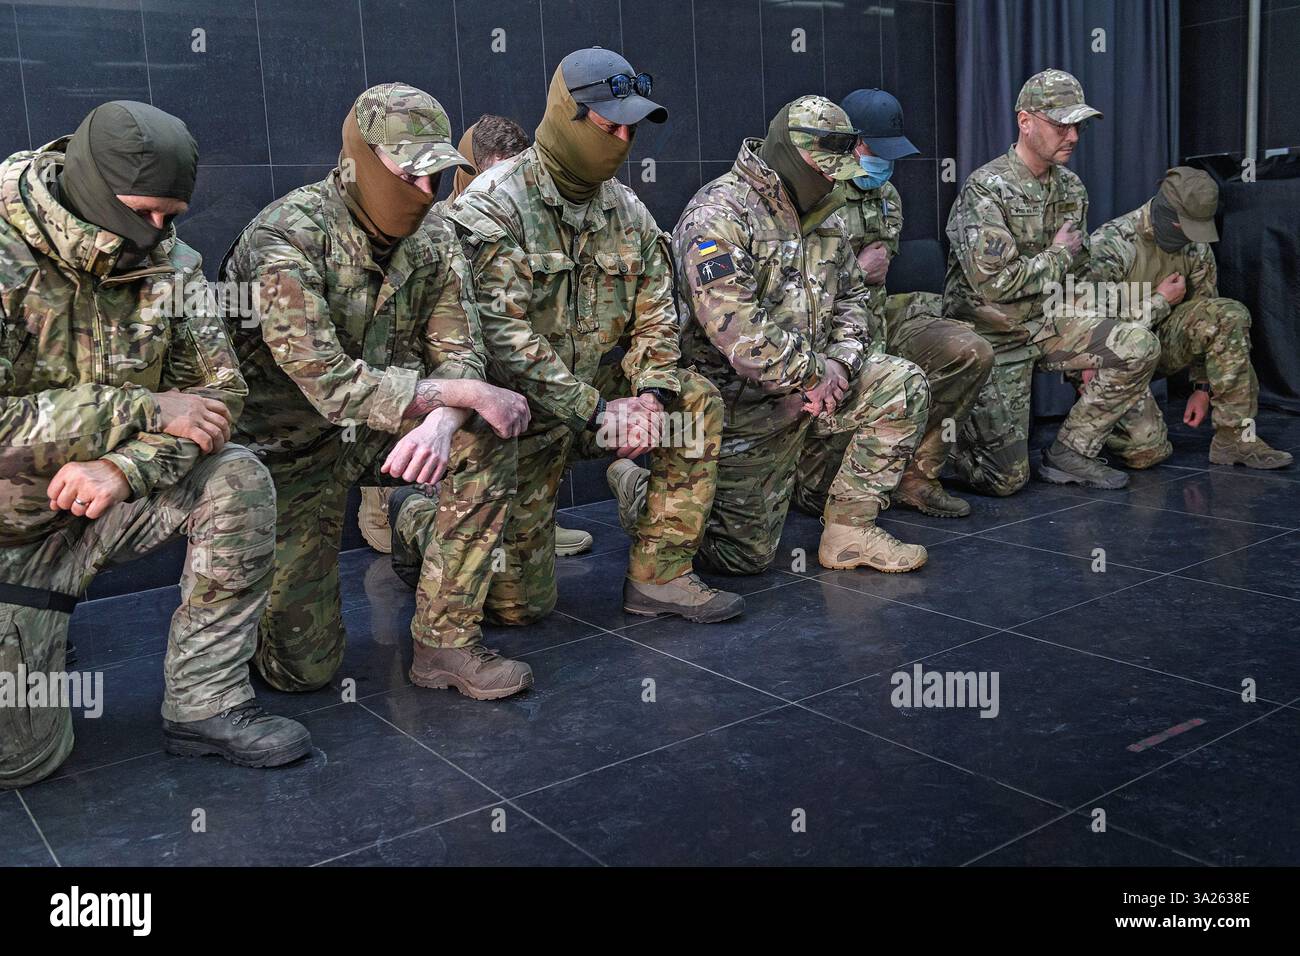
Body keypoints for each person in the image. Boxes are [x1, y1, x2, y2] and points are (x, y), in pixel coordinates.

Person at [392, 47, 745, 652]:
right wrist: (598, 409)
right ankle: (419, 521)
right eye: (611, 126)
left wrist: (653, 396)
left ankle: (660, 578)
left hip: (591, 411)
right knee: (521, 610)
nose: (624, 140)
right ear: (569, 115)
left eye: (633, 128)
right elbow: (501, 339)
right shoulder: (494, 204)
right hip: (518, 419)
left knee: (695, 403)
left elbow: (658, 314)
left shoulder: (626, 211)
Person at [0, 101, 311, 787]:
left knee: (237, 476)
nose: (158, 232)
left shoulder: (172, 264)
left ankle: (205, 705)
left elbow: (219, 399)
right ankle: (34, 635)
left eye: (172, 215)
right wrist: (139, 408)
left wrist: (125, 465)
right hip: (7, 530)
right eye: (144, 212)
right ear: (88, 186)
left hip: (104, 505)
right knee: (23, 764)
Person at [222, 83, 530, 697]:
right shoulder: (285, 237)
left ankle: (445, 645)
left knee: (486, 438)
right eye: (407, 174)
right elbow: (332, 385)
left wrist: (447, 417)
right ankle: (252, 590)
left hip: (374, 434)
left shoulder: (435, 238)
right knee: (303, 672)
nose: (423, 194)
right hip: (286, 457)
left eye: (436, 177)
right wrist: (459, 395)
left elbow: (460, 352)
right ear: (360, 159)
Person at [667, 94, 932, 574]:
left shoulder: (824, 213)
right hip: (742, 411)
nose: (834, 177)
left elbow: (855, 299)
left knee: (900, 383)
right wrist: (812, 375)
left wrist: (839, 364)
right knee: (741, 559)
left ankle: (851, 533)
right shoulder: (717, 214)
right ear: (790, 152)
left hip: (816, 392)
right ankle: (645, 489)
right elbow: (738, 329)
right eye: (824, 165)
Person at [355, 113, 597, 556]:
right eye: (497, 173)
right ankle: (396, 506)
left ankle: (530, 515)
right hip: (412, 401)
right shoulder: (432, 227)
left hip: (483, 376)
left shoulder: (527, 220)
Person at [945, 69, 1160, 494]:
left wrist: (1092, 339)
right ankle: (941, 439)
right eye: (1061, 124)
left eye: (1076, 125)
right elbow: (995, 285)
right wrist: (1058, 253)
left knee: (1138, 346)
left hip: (1048, 322)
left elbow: (1078, 272)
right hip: (993, 332)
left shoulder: (1072, 189)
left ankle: (1071, 452)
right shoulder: (986, 189)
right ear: (1025, 122)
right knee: (1004, 481)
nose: (1074, 135)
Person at [793, 89, 993, 519]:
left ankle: (917, 477)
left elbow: (880, 280)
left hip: (880, 321)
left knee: (968, 350)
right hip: (826, 339)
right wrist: (855, 271)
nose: (882, 163)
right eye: (873, 151)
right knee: (814, 495)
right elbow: (790, 287)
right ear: (849, 142)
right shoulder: (814, 193)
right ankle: (829, 478)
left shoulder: (888, 198)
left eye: (890, 154)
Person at [1085, 167, 1292, 469]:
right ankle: (1100, 419)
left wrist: (1202, 388)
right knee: (1147, 452)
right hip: (1115, 358)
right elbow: (1088, 328)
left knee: (1228, 314)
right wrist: (1159, 300)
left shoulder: (1195, 248)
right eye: (1187, 228)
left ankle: (1236, 440)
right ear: (1168, 213)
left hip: (1162, 345)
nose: (1193, 238)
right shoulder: (1111, 244)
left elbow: (1207, 318)